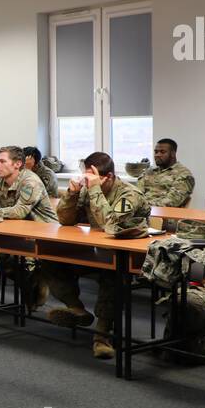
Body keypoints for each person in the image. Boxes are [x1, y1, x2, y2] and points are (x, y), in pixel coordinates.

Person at [42, 152, 151, 360]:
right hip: (97, 250)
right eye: (86, 177)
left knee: (112, 274)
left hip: (128, 257)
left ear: (108, 177)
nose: (88, 182)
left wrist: (93, 189)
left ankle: (102, 337)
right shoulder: (89, 189)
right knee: (49, 258)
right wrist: (72, 195)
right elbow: (65, 220)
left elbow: (109, 225)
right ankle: (77, 310)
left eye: (93, 178)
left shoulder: (130, 194)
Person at [0, 146, 56, 221]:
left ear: (18, 164)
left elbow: (20, 211)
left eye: (2, 161)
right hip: (19, 225)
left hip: (45, 228)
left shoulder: (31, 182)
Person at [134, 139, 194, 208]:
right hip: (141, 213)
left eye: (162, 152)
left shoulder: (184, 175)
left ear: (173, 154)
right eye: (156, 152)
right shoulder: (148, 172)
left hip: (164, 215)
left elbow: (171, 202)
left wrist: (143, 206)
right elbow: (136, 194)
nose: (157, 155)